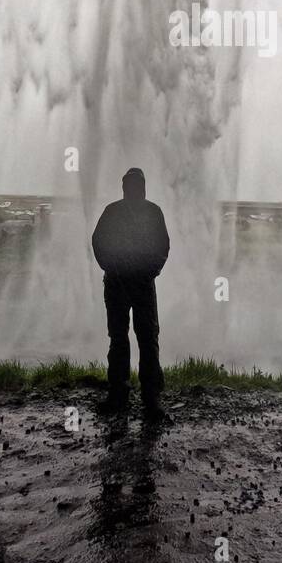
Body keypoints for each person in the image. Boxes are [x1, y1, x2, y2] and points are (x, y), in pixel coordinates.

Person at [91, 167, 170, 420]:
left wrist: (150, 272)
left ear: (143, 187)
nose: (135, 188)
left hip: (140, 284)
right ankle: (120, 394)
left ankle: (149, 397)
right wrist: (112, 268)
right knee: (120, 338)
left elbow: (162, 246)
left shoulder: (152, 212)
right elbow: (98, 242)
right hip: (118, 284)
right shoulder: (113, 212)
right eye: (131, 184)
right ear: (124, 187)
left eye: (138, 184)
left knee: (147, 339)